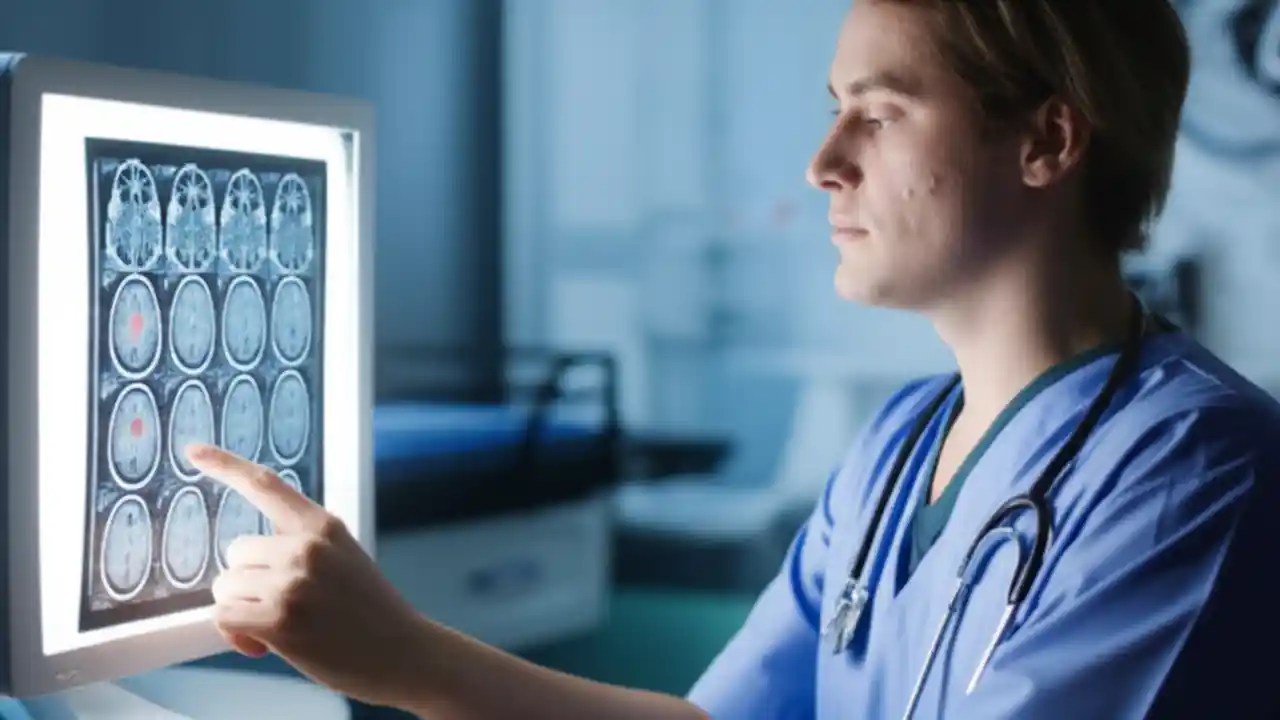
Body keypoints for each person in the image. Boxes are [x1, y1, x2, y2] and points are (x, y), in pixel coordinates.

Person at [187, 0, 1280, 717]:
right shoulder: (901, 444)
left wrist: (402, 658)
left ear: (1045, 141)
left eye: (879, 113)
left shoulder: (1191, 468)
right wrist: (404, 657)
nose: (820, 164)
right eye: (829, 112)